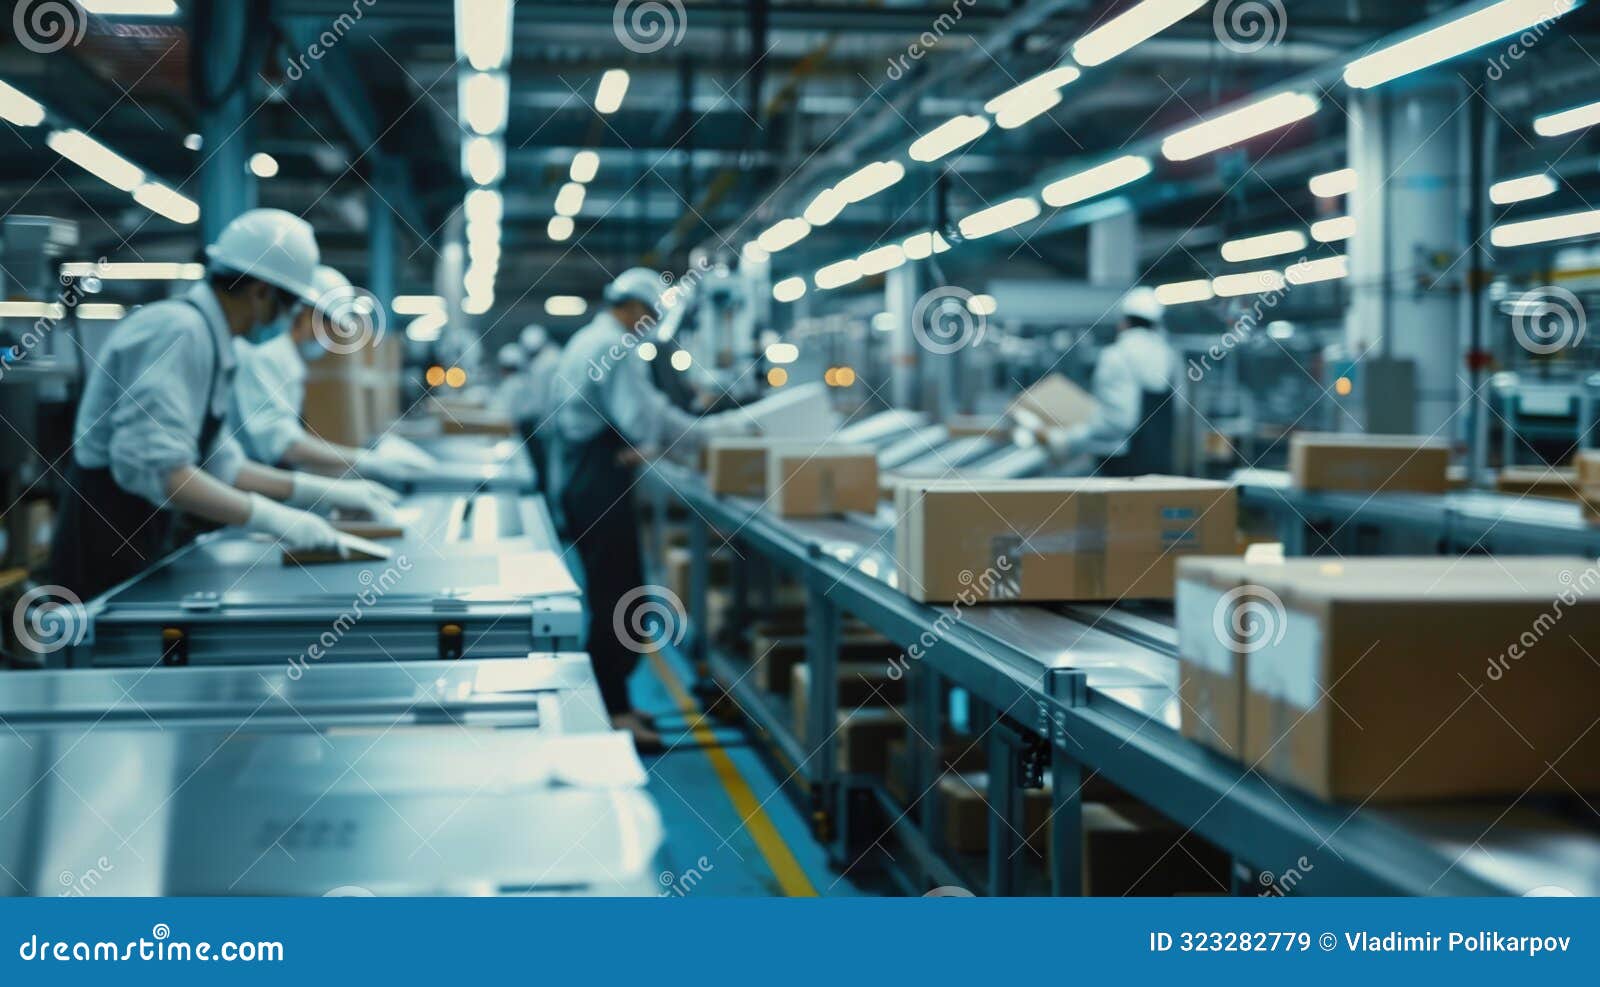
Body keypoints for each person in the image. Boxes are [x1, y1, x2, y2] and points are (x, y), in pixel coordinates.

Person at [50, 209, 400, 602]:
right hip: (100, 549)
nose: (287, 322)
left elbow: (223, 464)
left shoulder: (216, 344)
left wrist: (324, 492)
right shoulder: (178, 331)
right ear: (261, 292)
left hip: (140, 539)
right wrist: (272, 517)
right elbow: (159, 471)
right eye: (287, 306)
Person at [549, 267, 752, 750]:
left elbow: (636, 423)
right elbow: (645, 419)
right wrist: (711, 436)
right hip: (598, 483)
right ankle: (615, 711)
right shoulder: (616, 348)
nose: (651, 324)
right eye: (651, 314)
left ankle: (615, 702)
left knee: (611, 589)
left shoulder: (587, 339)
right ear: (631, 307)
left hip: (583, 480)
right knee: (615, 594)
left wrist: (653, 441)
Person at [229, 265, 439, 481]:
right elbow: (282, 444)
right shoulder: (267, 356)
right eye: (330, 326)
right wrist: (361, 459)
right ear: (308, 313)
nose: (330, 336)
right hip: (247, 481)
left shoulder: (291, 360)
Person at [1046, 286, 1178, 475]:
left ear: (1124, 323)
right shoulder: (1170, 357)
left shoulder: (1116, 355)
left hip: (1120, 465)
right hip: (1161, 466)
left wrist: (1068, 438)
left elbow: (1118, 421)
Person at [515, 324, 560, 493]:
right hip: (552, 425)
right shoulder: (554, 357)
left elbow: (538, 403)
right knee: (553, 471)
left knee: (549, 471)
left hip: (548, 426)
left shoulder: (543, 365)